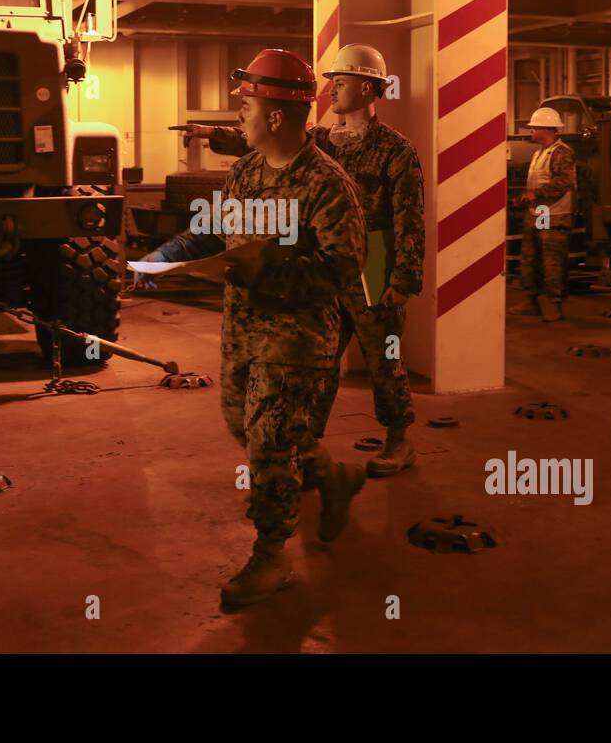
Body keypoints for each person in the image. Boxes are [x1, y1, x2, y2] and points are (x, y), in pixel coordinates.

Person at [143, 49, 368, 608]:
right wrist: (164, 257)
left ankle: (272, 557)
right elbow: (218, 231)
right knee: (243, 426)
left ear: (274, 116)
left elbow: (343, 269)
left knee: (267, 447)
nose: (237, 115)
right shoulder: (245, 171)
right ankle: (331, 475)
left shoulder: (327, 184)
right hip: (242, 330)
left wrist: (268, 266)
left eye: (246, 104)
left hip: (296, 339)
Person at [171, 43, 425, 477]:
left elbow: (409, 216)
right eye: (330, 83)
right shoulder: (325, 138)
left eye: (341, 82)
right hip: (322, 258)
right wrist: (213, 135)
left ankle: (399, 438)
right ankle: (309, 446)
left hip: (374, 263)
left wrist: (404, 278)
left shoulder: (395, 150)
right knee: (320, 362)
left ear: (368, 87)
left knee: (385, 357)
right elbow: (277, 135)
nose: (333, 91)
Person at [509, 106, 576, 322]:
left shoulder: (562, 153)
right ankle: (531, 301)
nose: (530, 131)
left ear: (545, 128)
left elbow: (563, 183)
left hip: (554, 216)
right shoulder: (540, 153)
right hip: (537, 214)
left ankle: (555, 305)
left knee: (552, 262)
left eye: (533, 127)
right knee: (530, 259)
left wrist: (534, 194)